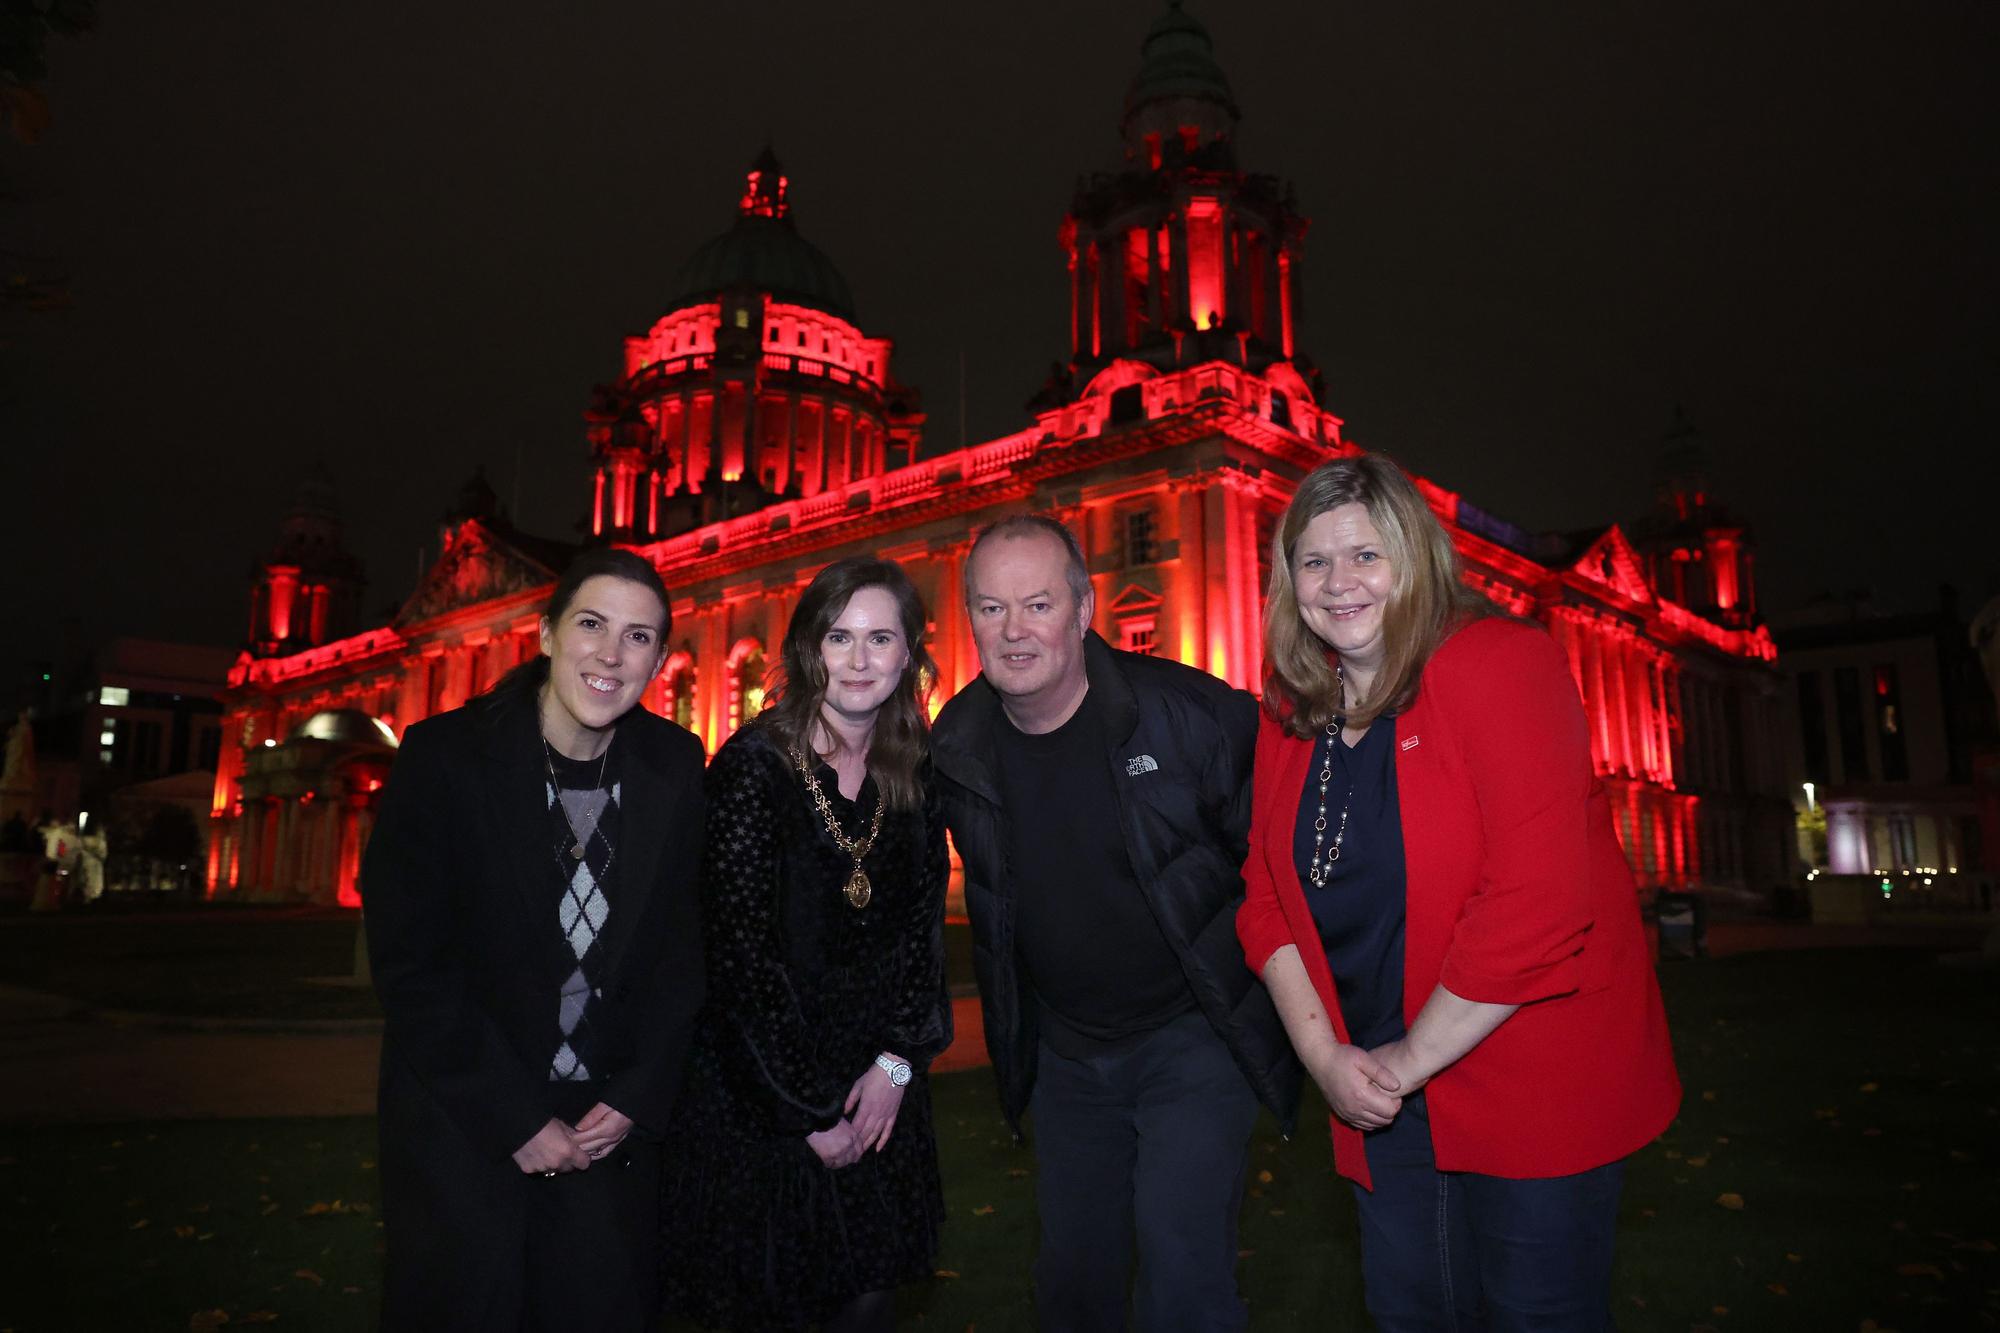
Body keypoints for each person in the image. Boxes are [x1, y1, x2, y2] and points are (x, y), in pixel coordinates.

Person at [1236, 455, 1681, 1331]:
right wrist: (1328, 1059)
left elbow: (1539, 905)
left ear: (1418, 560)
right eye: (1314, 561)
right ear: (1289, 582)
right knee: (1410, 1313)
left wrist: (1406, 1060)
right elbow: (1263, 897)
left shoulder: (1499, 665)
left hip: (1530, 1089)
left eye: (1366, 554)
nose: (1339, 582)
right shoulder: (1291, 713)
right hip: (1379, 1095)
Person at [931, 514, 1299, 1333]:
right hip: (1069, 1052)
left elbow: (1283, 860)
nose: (1015, 630)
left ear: (1085, 607)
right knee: (1072, 1284)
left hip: (1192, 1034)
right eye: (991, 608)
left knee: (1183, 1275)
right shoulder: (954, 747)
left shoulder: (1192, 716)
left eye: (1037, 604)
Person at [362, 547, 706, 1332]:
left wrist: (636, 1093)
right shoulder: (444, 758)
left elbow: (687, 952)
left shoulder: (676, 765)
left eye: (640, 636)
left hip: (604, 1129)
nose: (611, 654)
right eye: (591, 624)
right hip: (468, 1125)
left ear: (658, 658)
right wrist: (513, 1117)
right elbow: (413, 966)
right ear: (546, 632)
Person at [661, 556, 951, 1332]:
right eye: (839, 637)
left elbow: (921, 934)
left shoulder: (915, 770)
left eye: (880, 637)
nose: (858, 660)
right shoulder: (754, 769)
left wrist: (896, 1061)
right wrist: (808, 1111)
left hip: (877, 1092)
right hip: (765, 1101)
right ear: (807, 650)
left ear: (908, 652)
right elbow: (739, 960)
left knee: (869, 1299)